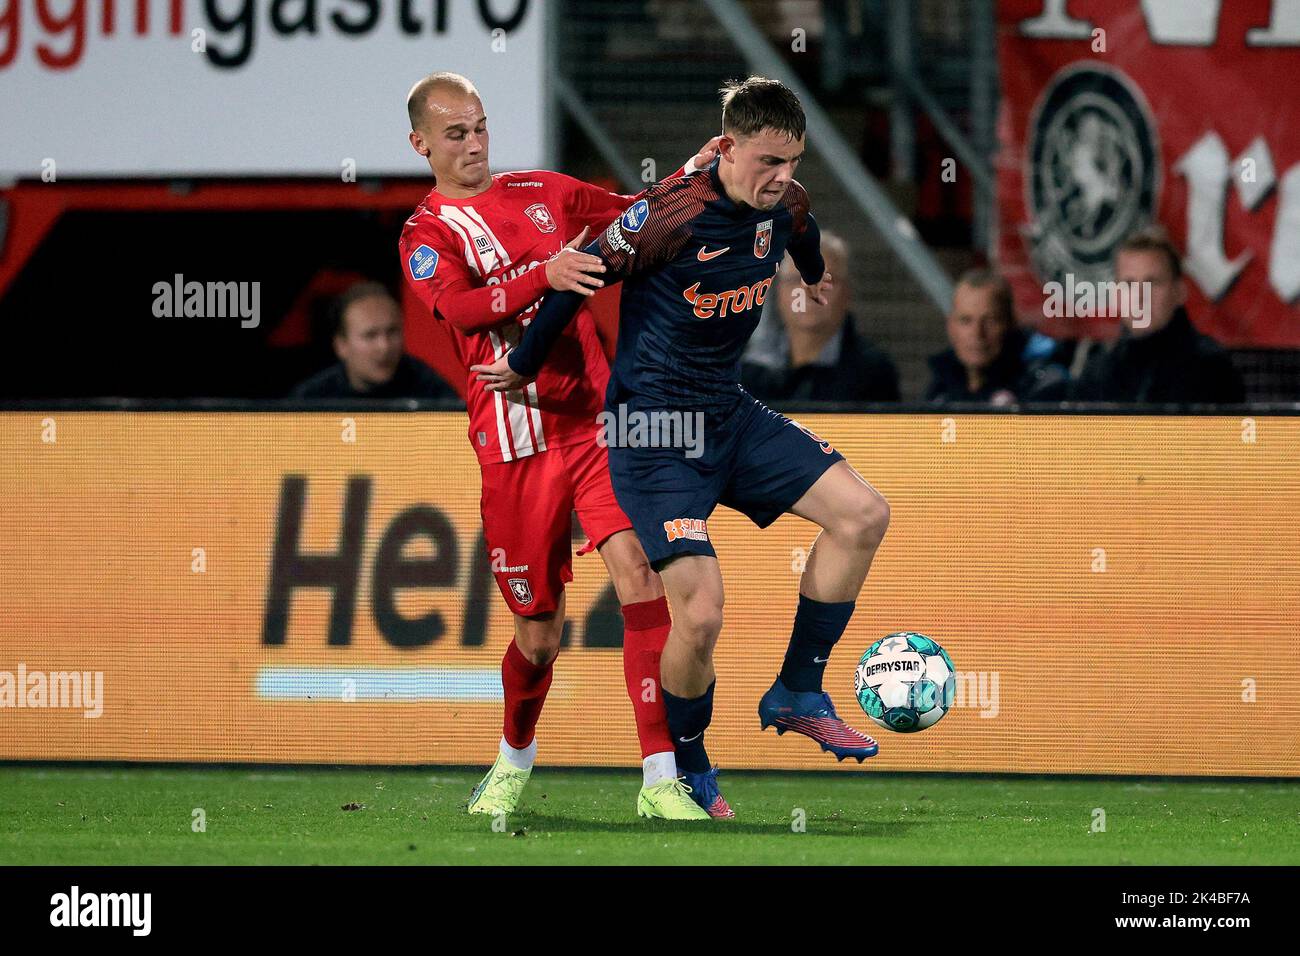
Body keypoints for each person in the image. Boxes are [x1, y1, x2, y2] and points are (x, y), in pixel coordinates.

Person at [474, 77, 888, 818]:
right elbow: (574, 284)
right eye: (767, 160)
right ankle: (688, 767)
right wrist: (525, 363)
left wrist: (816, 276)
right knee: (699, 615)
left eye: (793, 161)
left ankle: (797, 688)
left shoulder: (783, 204)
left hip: (728, 415)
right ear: (727, 147)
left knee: (863, 514)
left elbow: (806, 228)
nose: (783, 177)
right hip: (652, 435)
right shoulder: (668, 219)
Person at [398, 71, 722, 821]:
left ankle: (659, 779)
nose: (475, 142)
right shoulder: (425, 236)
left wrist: (697, 174)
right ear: (421, 145)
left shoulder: (543, 191)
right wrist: (545, 274)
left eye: (480, 126)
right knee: (538, 635)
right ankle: (513, 760)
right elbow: (462, 308)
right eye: (456, 134)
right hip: (513, 446)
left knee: (641, 577)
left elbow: (634, 217)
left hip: (595, 427)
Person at [1069, 228, 1245, 404]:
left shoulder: (1211, 369)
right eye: (1129, 284)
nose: (1139, 296)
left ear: (1179, 292)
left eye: (1152, 283)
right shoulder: (1097, 373)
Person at [741, 231, 900, 403]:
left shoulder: (874, 374)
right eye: (796, 279)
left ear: (848, 292)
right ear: (778, 293)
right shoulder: (745, 369)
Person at [926, 269, 1067, 404]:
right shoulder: (938, 393)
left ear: (1011, 323)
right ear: (951, 326)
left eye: (990, 320)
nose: (977, 333)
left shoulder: (1044, 385)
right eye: (966, 320)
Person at [290, 283, 454, 399]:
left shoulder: (432, 392)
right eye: (370, 335)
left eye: (392, 332)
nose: (384, 346)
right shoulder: (311, 400)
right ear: (341, 346)